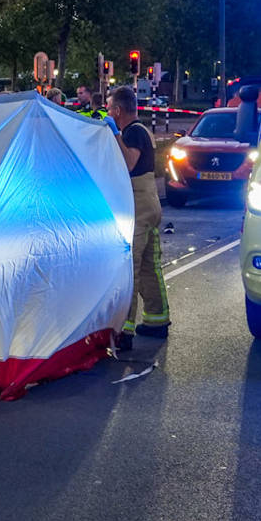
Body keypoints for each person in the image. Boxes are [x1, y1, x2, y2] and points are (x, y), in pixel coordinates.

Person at [107, 85, 169, 353]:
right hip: (151, 203)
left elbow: (130, 163)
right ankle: (157, 319)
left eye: (111, 108)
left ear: (118, 110)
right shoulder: (144, 130)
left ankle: (125, 331)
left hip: (139, 207)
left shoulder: (131, 133)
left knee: (129, 268)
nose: (109, 112)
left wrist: (115, 134)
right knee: (149, 266)